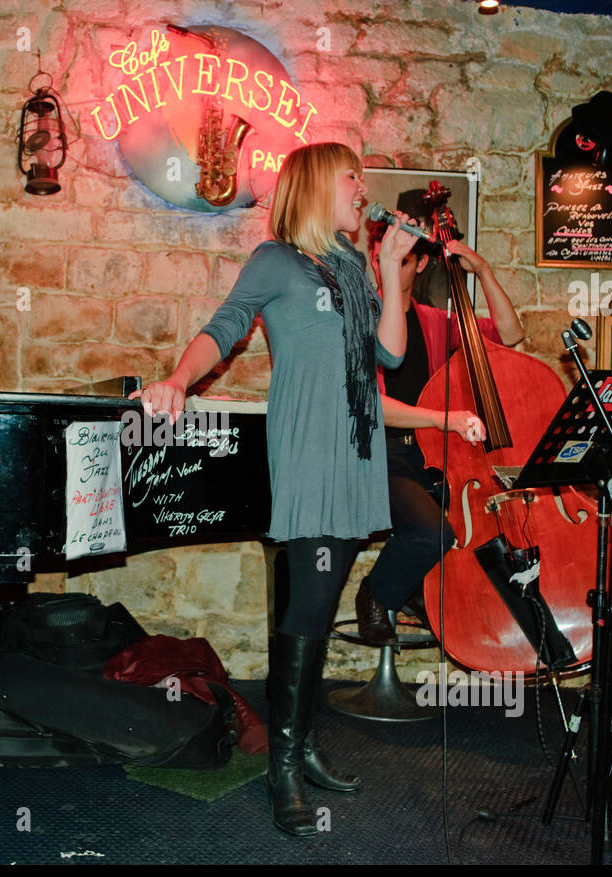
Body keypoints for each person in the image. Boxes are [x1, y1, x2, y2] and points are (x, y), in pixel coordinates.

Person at [137, 143, 410, 836]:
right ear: (319, 184)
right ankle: (282, 765)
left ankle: (305, 742)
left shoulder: (351, 266)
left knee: (319, 612)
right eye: (353, 175)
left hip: (355, 454)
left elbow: (390, 355)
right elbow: (224, 327)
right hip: (309, 452)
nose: (364, 187)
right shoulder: (277, 261)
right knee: (309, 605)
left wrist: (390, 273)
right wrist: (177, 378)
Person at [354, 208, 525, 640]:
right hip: (380, 455)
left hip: (431, 457)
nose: (386, 266)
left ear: (422, 261)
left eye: (403, 259)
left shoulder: (435, 322)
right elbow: (373, 406)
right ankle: (375, 592)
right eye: (381, 258)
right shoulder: (360, 318)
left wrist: (483, 270)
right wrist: (445, 420)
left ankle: (421, 590)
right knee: (434, 531)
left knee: (489, 529)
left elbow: (511, 335)